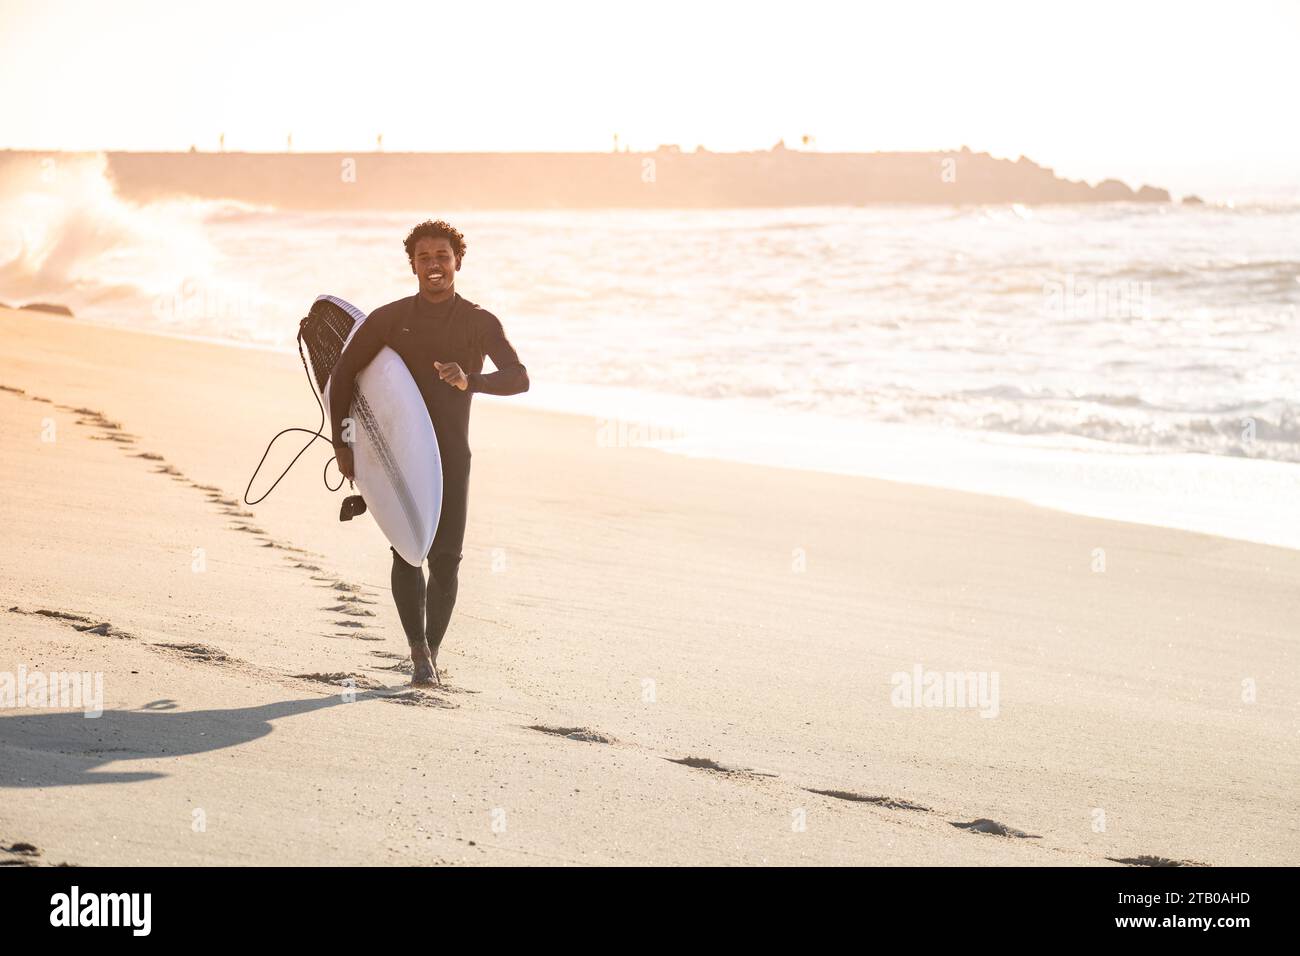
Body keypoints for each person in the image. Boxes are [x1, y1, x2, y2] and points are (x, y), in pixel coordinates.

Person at [329, 219, 529, 685]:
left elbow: (518, 377)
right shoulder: (390, 319)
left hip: (453, 457)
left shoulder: (479, 322)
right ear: (412, 265)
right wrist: (343, 441)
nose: (434, 265)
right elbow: (342, 375)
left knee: (446, 559)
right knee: (407, 548)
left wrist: (470, 380)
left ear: (458, 260)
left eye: (443, 256)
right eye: (424, 258)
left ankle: (431, 651)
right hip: (396, 454)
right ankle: (418, 653)